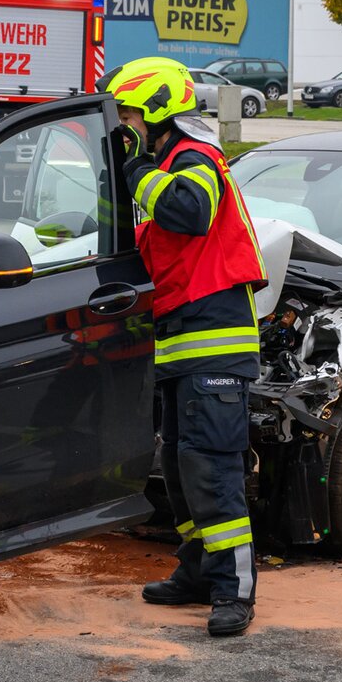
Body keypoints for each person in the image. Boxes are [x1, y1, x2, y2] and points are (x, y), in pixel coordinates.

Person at [105, 56, 268, 638]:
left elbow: (192, 213)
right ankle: (198, 571)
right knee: (178, 466)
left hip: (214, 343)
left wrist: (135, 171)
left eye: (126, 113)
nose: (121, 126)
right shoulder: (162, 165)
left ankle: (234, 591)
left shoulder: (194, 159)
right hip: (179, 345)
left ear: (151, 110)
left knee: (212, 468)